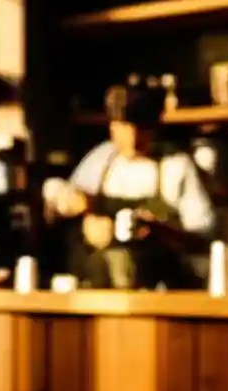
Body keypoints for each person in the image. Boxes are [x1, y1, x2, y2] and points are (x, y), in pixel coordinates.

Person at [49, 83, 215, 288]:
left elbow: (203, 239)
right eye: (125, 128)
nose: (134, 138)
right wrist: (77, 209)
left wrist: (161, 232)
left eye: (141, 129)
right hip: (100, 293)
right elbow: (56, 200)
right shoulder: (100, 159)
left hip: (159, 294)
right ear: (112, 127)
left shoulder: (176, 166)